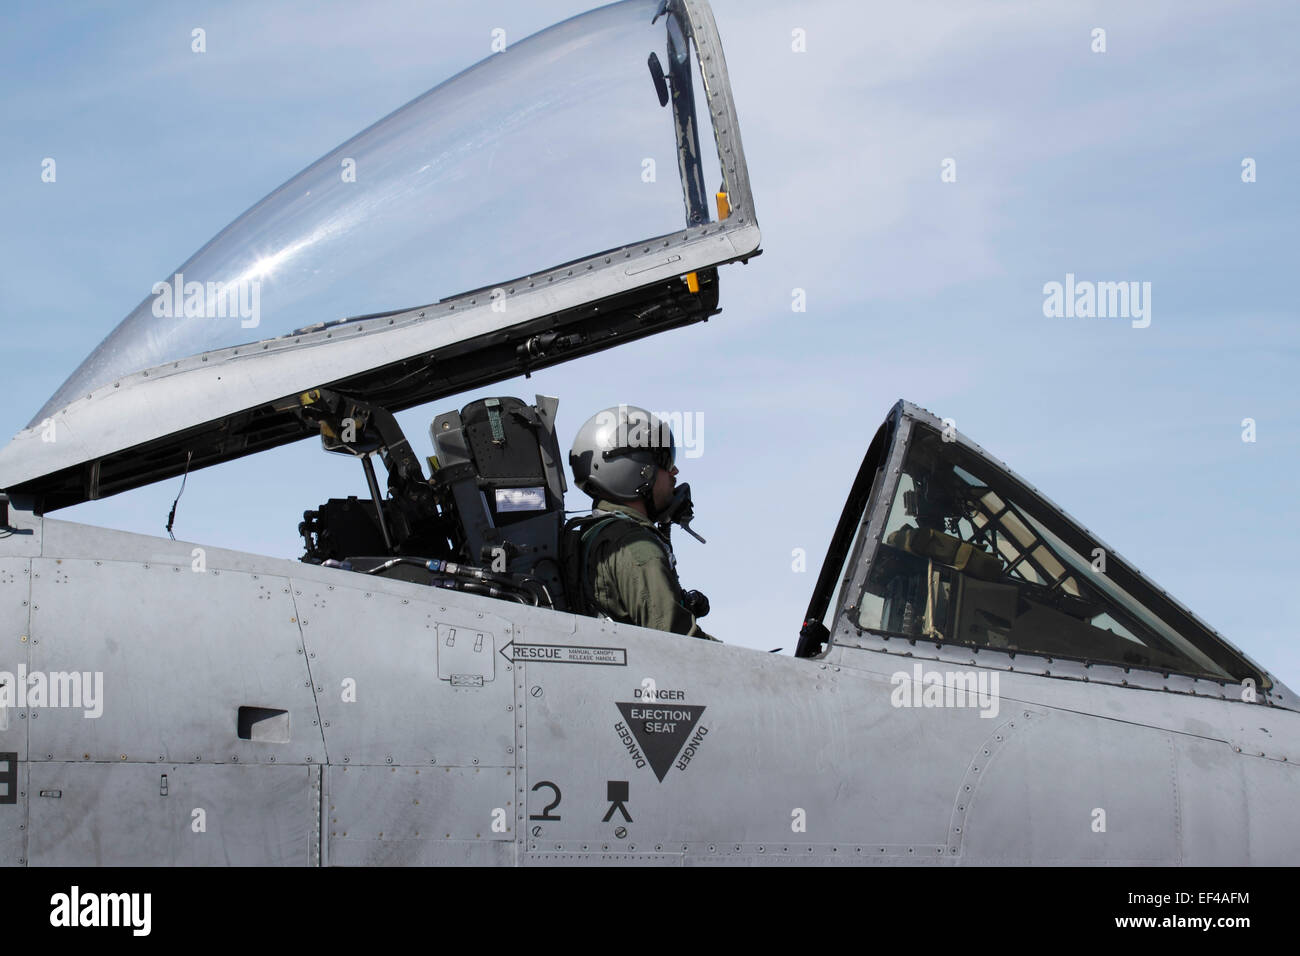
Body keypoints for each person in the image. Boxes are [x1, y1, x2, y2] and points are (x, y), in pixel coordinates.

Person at [567, 405, 717, 641]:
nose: (674, 471)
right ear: (638, 471)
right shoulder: (635, 548)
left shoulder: (593, 534)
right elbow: (681, 646)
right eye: (665, 461)